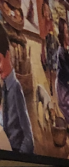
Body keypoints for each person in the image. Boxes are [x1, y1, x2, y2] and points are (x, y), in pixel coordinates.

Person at [0, 25, 33, 154]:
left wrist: (18, 158)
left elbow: (28, 137)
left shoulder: (15, 88)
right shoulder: (4, 87)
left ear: (7, 55)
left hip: (16, 151)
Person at [55, 19, 69, 131]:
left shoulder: (65, 51)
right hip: (62, 86)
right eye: (67, 33)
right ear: (62, 36)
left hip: (65, 83)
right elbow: (68, 72)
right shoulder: (62, 52)